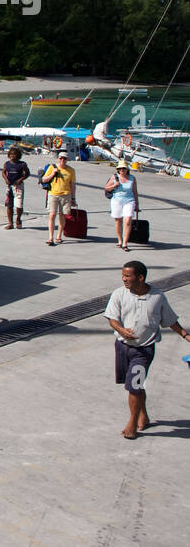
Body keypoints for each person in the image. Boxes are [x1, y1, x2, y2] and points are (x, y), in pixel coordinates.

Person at [105, 260, 188, 439]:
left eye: (128, 276)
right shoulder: (119, 294)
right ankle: (144, 415)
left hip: (143, 351)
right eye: (123, 275)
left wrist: (185, 335)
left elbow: (170, 320)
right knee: (136, 385)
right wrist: (122, 330)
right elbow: (112, 319)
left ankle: (132, 423)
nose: (124, 279)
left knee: (134, 386)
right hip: (122, 347)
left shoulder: (157, 297)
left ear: (140, 278)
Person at [41, 151, 76, 246]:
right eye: (61, 158)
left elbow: (72, 185)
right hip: (53, 194)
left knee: (62, 216)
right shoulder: (52, 167)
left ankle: (59, 236)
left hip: (66, 195)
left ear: (67, 160)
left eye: (64, 159)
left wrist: (73, 198)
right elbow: (44, 179)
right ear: (58, 159)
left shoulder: (71, 170)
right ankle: (50, 237)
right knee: (52, 214)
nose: (62, 160)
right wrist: (52, 174)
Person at [105, 164, 139, 251]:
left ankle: (125, 243)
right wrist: (114, 185)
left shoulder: (132, 178)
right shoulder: (114, 177)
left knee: (127, 221)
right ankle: (120, 240)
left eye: (123, 168)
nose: (122, 170)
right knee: (118, 220)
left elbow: (135, 191)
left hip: (129, 200)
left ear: (127, 169)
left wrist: (137, 203)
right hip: (116, 200)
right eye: (120, 168)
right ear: (118, 170)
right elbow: (107, 188)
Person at [1, 146, 29, 229]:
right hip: (9, 187)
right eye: (11, 154)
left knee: (19, 205)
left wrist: (21, 179)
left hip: (18, 186)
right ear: (9, 155)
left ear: (18, 156)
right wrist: (6, 179)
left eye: (15, 154)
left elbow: (27, 173)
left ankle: (18, 219)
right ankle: (10, 223)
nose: (13, 156)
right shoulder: (7, 164)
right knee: (9, 206)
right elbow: (3, 172)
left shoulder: (22, 164)